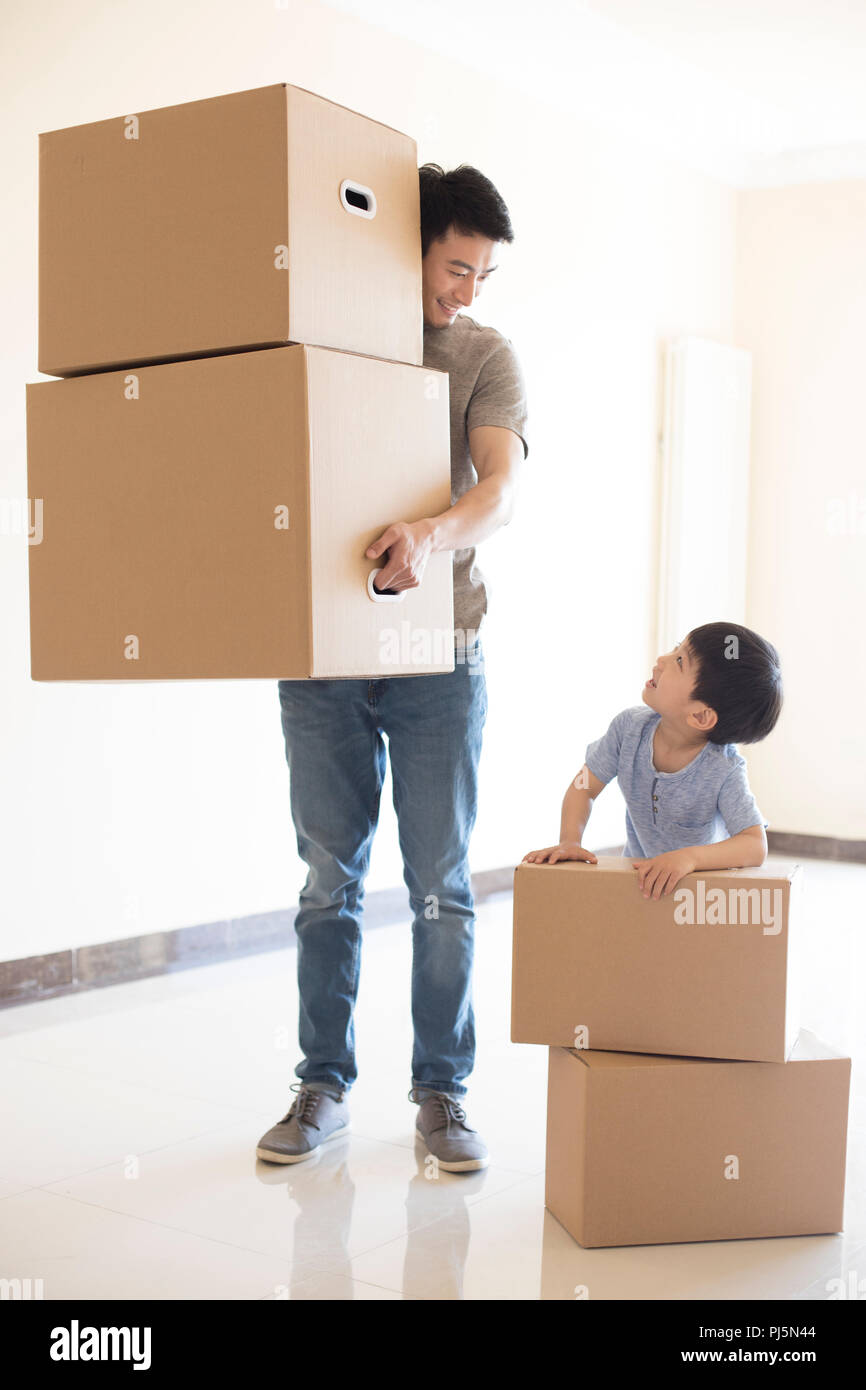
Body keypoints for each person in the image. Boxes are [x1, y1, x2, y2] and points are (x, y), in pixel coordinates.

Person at [256, 164, 529, 1171]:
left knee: (438, 885)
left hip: (436, 657)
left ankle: (440, 1098)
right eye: (455, 267)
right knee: (327, 880)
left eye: (479, 275)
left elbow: (498, 491)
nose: (464, 290)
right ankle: (320, 1085)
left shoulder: (482, 356)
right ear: (404, 246)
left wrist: (428, 528)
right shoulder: (318, 338)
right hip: (321, 652)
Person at [522, 622, 783, 898]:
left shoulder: (724, 769)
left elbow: (755, 845)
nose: (661, 660)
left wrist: (688, 859)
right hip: (637, 887)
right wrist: (569, 841)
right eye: (675, 649)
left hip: (693, 898)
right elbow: (583, 786)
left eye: (679, 660)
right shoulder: (628, 729)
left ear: (701, 716)